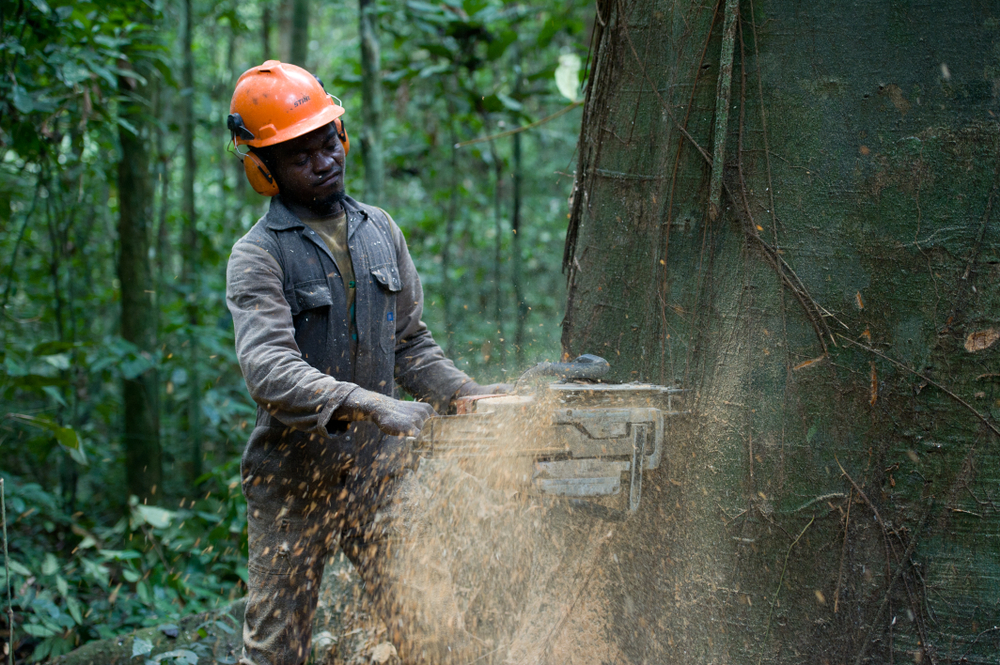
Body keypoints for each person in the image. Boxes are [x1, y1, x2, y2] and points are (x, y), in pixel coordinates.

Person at [225, 60, 506, 665]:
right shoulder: (257, 256)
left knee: (432, 632)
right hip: (292, 479)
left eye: (328, 142)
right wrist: (371, 404)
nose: (324, 160)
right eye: (300, 155)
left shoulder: (380, 231)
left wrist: (466, 393)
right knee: (276, 649)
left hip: (381, 476)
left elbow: (410, 344)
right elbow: (269, 369)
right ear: (262, 170)